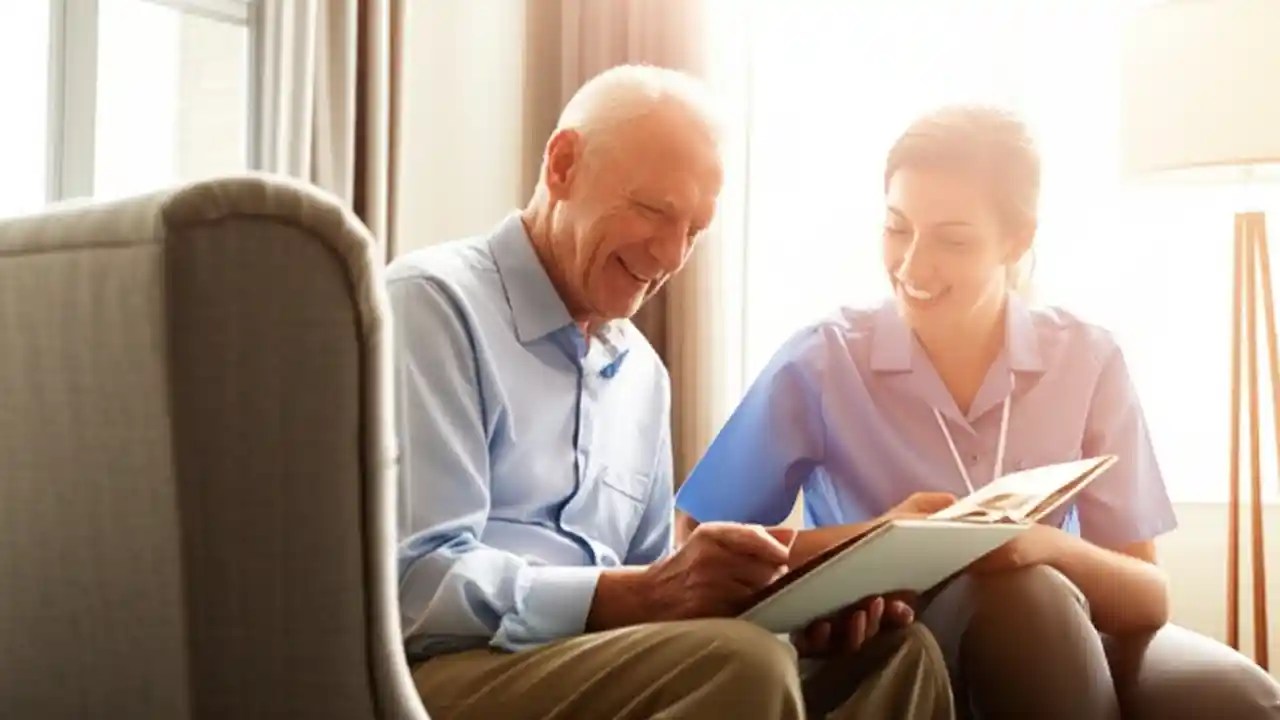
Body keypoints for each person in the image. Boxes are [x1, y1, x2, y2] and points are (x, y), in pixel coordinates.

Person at [388, 64, 955, 720]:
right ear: (563, 165)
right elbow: (414, 586)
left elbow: (656, 593)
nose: (672, 255)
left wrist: (797, 611)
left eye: (694, 230)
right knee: (741, 665)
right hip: (444, 674)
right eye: (656, 211)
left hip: (598, 661)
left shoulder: (640, 374)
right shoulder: (432, 307)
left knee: (897, 654)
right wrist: (643, 598)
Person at [675, 105, 1280, 719]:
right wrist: (880, 539)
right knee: (1024, 602)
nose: (911, 265)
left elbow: (1147, 596)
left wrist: (1037, 545)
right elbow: (698, 551)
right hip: (890, 639)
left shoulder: (1086, 358)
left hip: (1065, 629)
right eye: (897, 227)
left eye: (952, 239)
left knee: (1236, 696)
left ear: (1017, 240)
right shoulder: (823, 359)